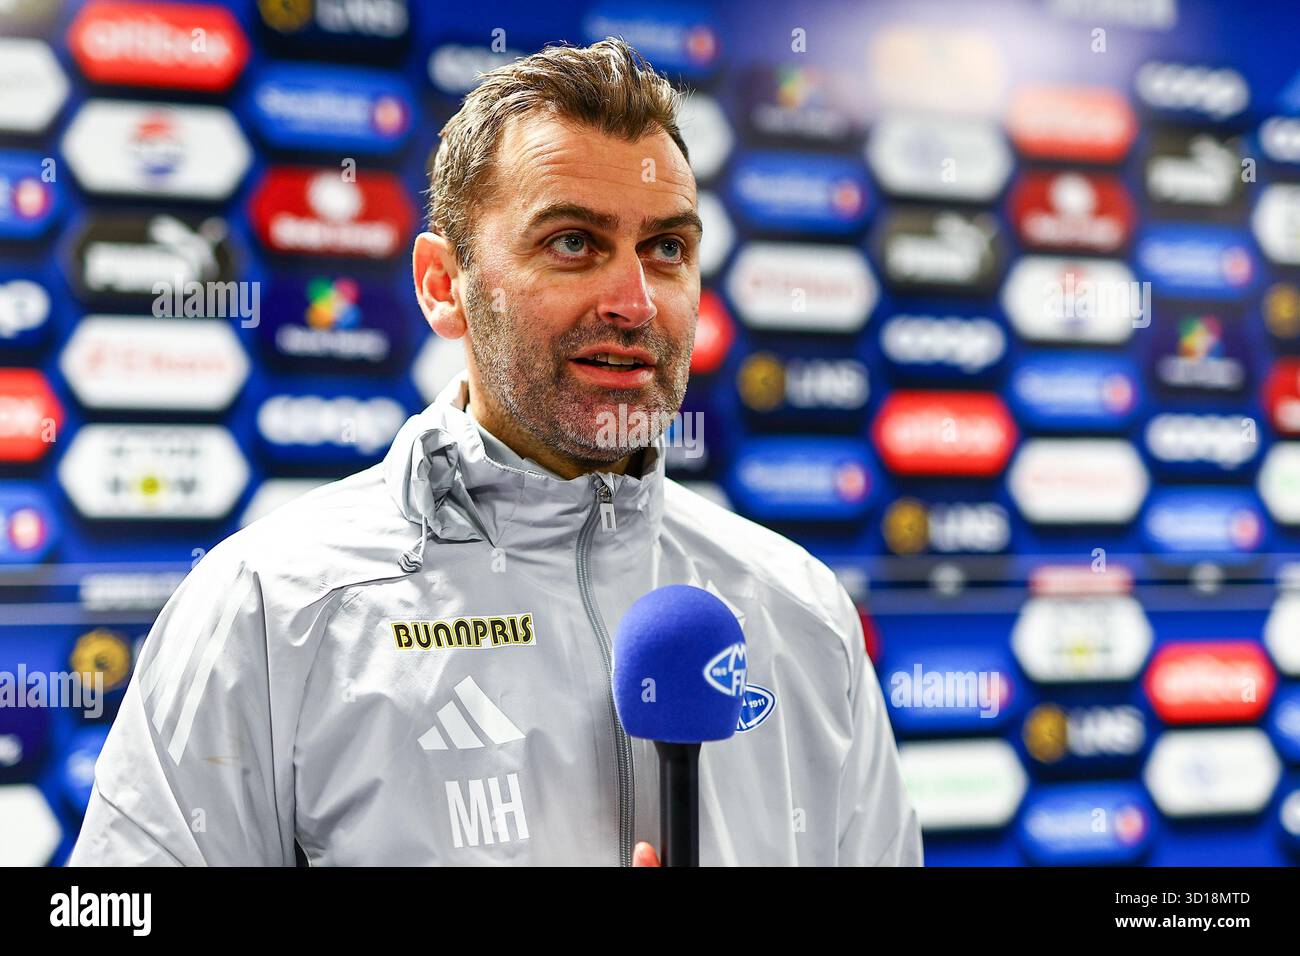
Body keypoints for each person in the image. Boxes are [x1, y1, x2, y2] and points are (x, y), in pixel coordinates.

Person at [70, 38, 921, 867]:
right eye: (573, 243)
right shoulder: (266, 607)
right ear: (445, 286)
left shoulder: (801, 610)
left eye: (666, 248)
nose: (633, 301)